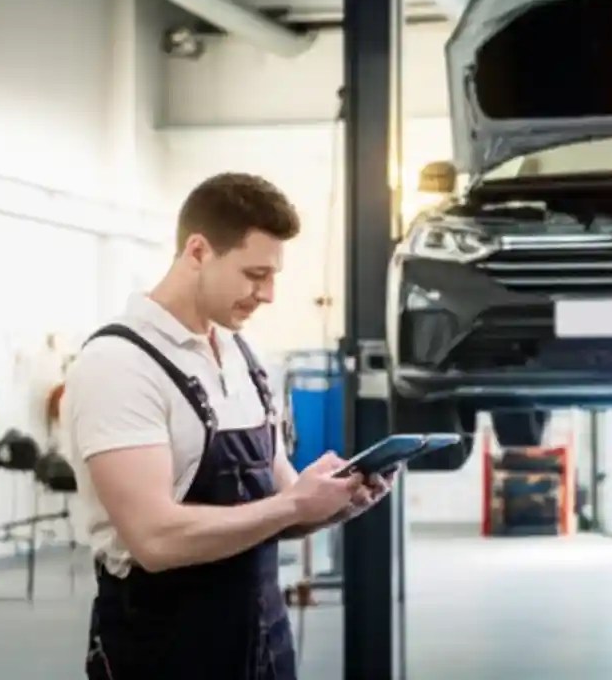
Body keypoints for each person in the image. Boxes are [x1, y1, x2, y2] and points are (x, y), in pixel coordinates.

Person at [62, 172, 391, 679]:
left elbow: (279, 503)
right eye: (254, 274)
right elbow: (154, 538)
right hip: (164, 649)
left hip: (263, 639)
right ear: (197, 251)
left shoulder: (241, 356)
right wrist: (291, 504)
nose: (269, 294)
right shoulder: (118, 365)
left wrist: (333, 503)